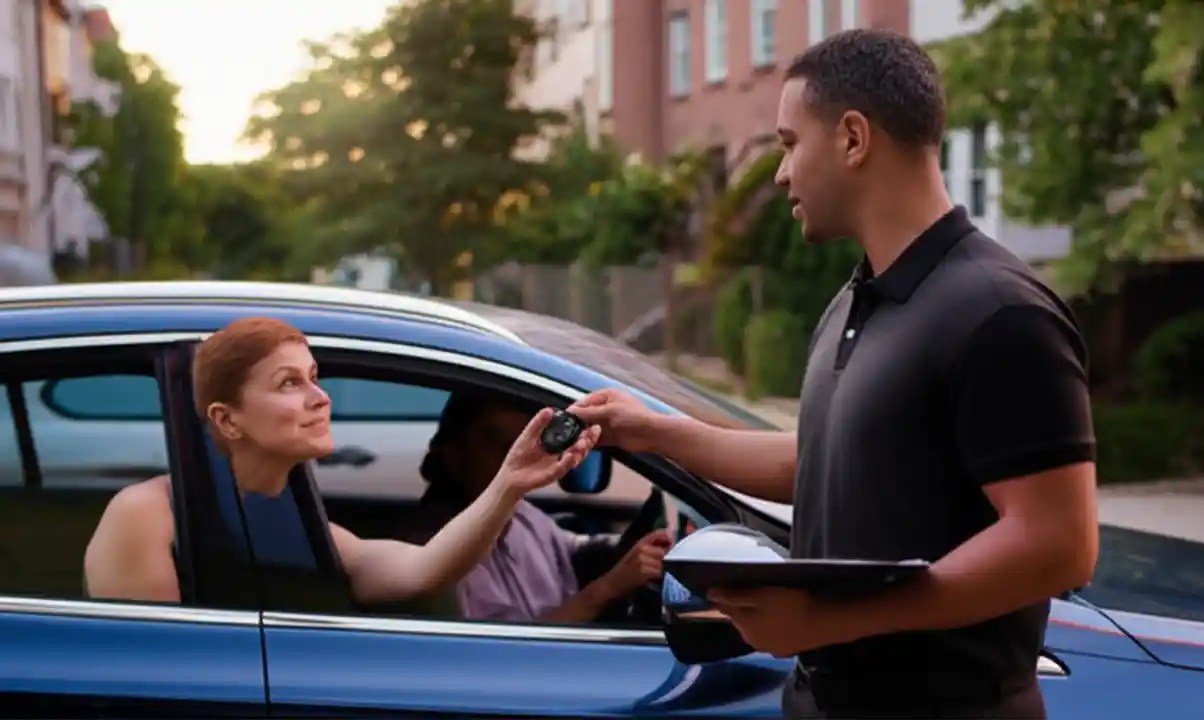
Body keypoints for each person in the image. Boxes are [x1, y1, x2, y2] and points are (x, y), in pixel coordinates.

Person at [570, 29, 1098, 720]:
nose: (781, 173)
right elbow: (824, 458)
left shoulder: (998, 311)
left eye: (789, 143)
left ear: (853, 138)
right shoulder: (857, 299)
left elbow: (1058, 545)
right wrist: (654, 432)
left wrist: (834, 621)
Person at [82, 316, 600, 609]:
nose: (321, 397)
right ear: (228, 419)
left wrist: (510, 482)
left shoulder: (301, 523)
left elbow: (424, 570)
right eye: (290, 383)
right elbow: (162, 681)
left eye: (314, 376)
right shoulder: (146, 514)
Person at [397, 390, 671, 624]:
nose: (517, 460)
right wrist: (609, 588)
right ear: (454, 455)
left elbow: (573, 547)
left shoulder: (522, 515)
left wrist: (632, 549)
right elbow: (508, 655)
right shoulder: (441, 552)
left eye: (523, 445)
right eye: (501, 447)